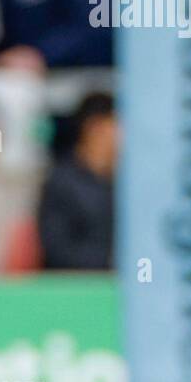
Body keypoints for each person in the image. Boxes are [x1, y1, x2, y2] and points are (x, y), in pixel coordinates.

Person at [37, 91, 117, 271]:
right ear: (96, 127)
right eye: (116, 124)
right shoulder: (61, 181)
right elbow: (57, 250)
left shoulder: (125, 182)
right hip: (74, 286)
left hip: (120, 284)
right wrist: (112, 261)